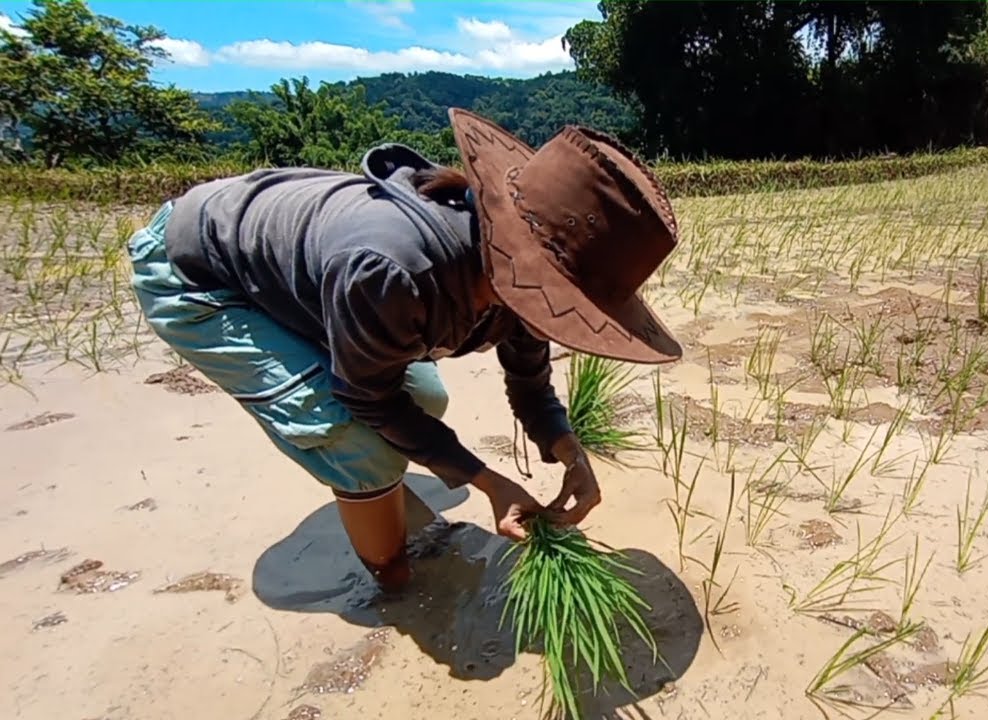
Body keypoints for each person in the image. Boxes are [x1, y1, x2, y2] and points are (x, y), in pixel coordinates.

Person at [126, 108, 683, 592]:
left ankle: (379, 506)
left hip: (313, 278)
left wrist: (570, 452)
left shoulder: (523, 283)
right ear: (521, 256)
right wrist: (487, 481)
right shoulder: (395, 271)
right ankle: (390, 579)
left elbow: (530, 380)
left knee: (425, 395)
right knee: (354, 438)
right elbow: (367, 397)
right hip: (199, 274)